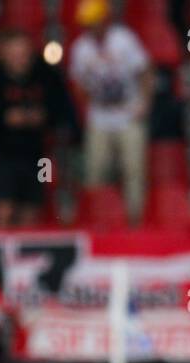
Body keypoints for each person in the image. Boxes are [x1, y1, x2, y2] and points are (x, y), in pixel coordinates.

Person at [68, 0, 153, 223]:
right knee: (95, 173)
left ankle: (135, 221)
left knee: (133, 172)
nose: (91, 28)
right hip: (100, 116)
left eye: (94, 22)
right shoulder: (80, 47)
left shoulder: (124, 39)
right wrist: (88, 105)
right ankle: (96, 219)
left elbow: (144, 70)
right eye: (88, 24)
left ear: (105, 20)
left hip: (128, 113)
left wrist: (144, 102)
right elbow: (78, 83)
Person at [0, 29, 63, 227]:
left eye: (24, 54)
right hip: (5, 155)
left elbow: (60, 110)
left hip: (38, 157)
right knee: (4, 209)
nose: (21, 59)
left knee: (31, 212)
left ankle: (25, 256)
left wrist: (41, 117)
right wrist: (6, 119)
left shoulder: (44, 76)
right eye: (15, 55)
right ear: (5, 55)